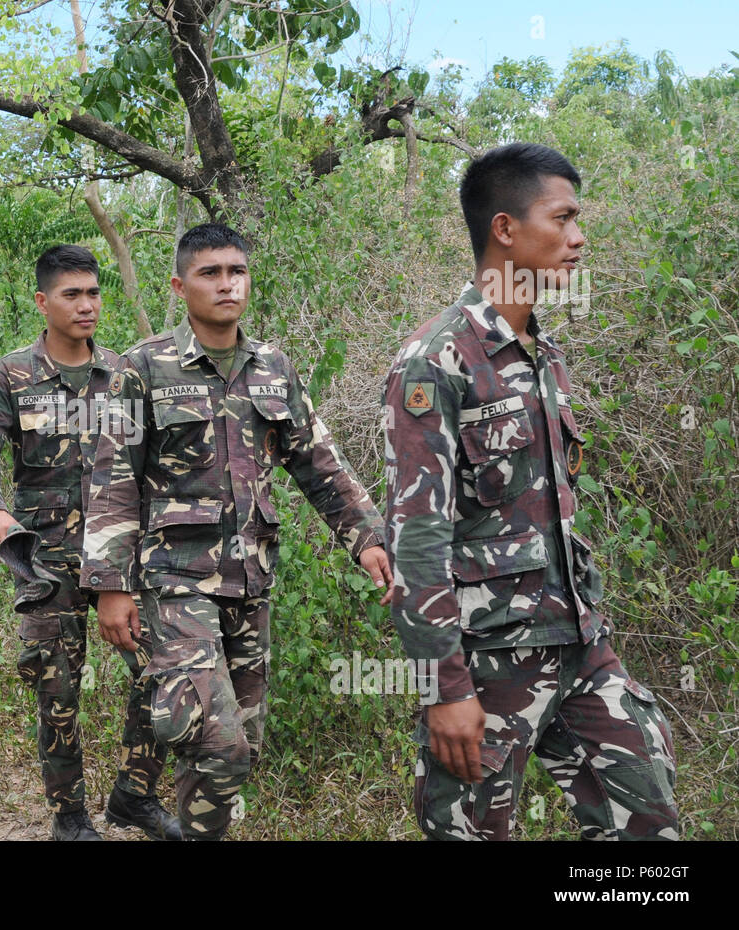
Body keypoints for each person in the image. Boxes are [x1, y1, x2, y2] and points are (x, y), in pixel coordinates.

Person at [383, 142, 678, 840]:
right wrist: (444, 687)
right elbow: (417, 539)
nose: (579, 238)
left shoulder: (541, 353)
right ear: (505, 230)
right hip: (486, 667)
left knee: (648, 820)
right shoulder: (436, 361)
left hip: (579, 645)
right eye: (564, 218)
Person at [82, 223, 392, 840]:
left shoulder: (273, 366)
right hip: (173, 582)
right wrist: (109, 586)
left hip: (250, 581)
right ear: (180, 284)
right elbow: (112, 480)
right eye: (210, 273)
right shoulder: (143, 367)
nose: (227, 285)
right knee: (215, 741)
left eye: (236, 272)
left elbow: (318, 461)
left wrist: (367, 537)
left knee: (240, 742)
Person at [0, 245, 180, 841]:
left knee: (161, 672)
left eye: (93, 292)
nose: (86, 305)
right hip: (46, 559)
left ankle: (135, 795)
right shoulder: (10, 375)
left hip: (121, 558)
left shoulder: (126, 374)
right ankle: (70, 818)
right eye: (71, 294)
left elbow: (158, 463)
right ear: (43, 301)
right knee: (57, 692)